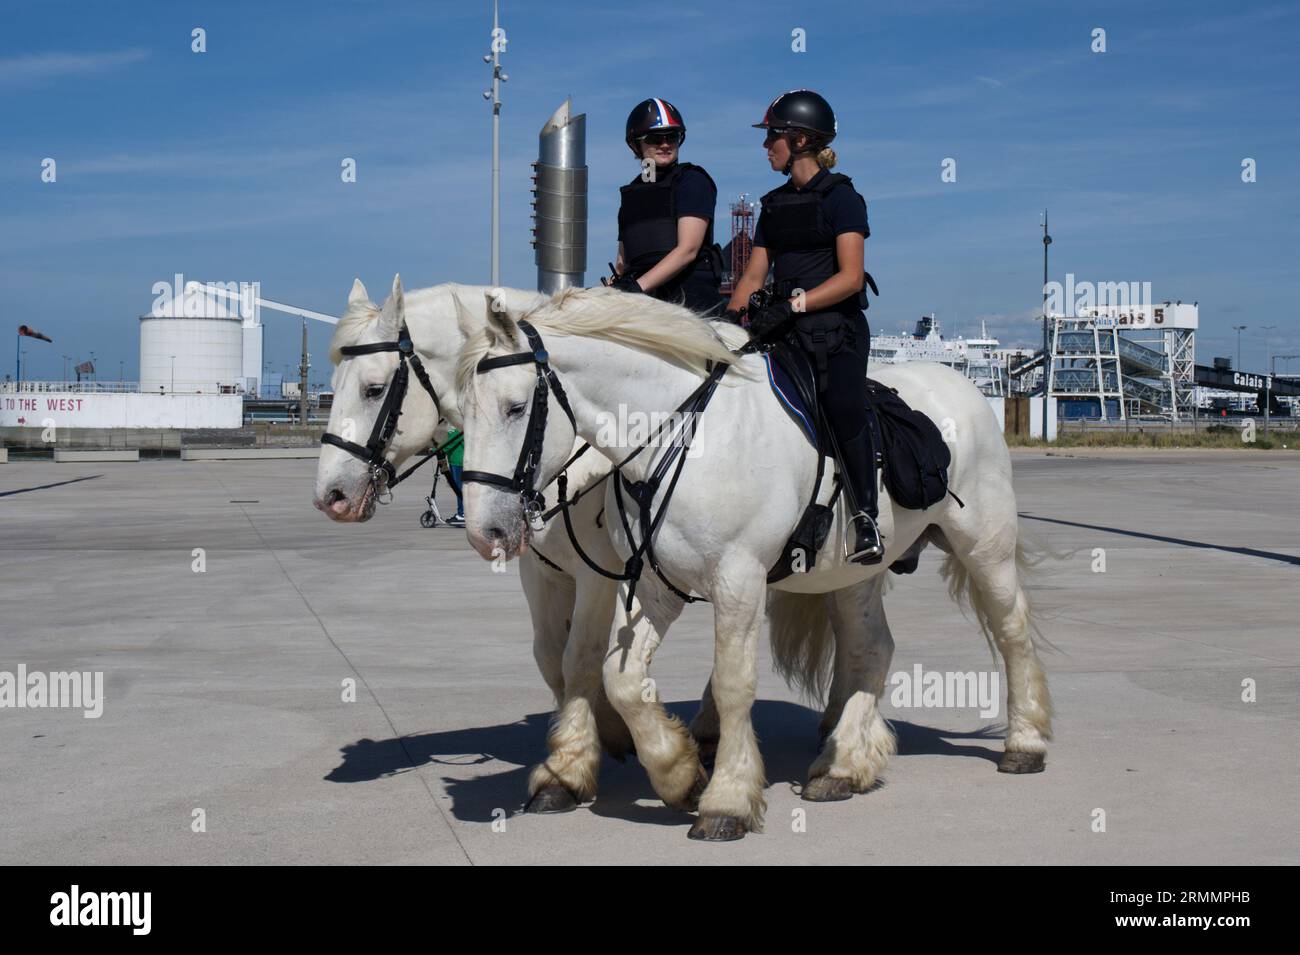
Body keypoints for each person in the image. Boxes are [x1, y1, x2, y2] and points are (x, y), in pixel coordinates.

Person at [725, 89, 884, 564]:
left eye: (770, 136)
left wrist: (795, 306)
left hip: (837, 333)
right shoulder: (772, 205)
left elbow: (850, 277)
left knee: (842, 408)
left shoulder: (844, 199)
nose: (765, 145)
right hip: (783, 332)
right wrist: (726, 326)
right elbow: (753, 276)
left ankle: (865, 517)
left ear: (797, 140)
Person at [608, 98, 725, 314]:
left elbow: (687, 250)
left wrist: (637, 288)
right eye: (655, 138)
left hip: (689, 305)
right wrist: (609, 292)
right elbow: (622, 262)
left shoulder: (692, 180)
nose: (665, 144)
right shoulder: (631, 193)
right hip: (643, 304)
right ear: (636, 144)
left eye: (672, 137)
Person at [444, 428, 465, 527]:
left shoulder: (458, 425)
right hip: (454, 460)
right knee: (457, 488)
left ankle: (462, 514)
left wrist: (437, 450)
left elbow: (451, 441)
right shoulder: (452, 424)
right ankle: (461, 513)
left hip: (459, 462)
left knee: (459, 489)